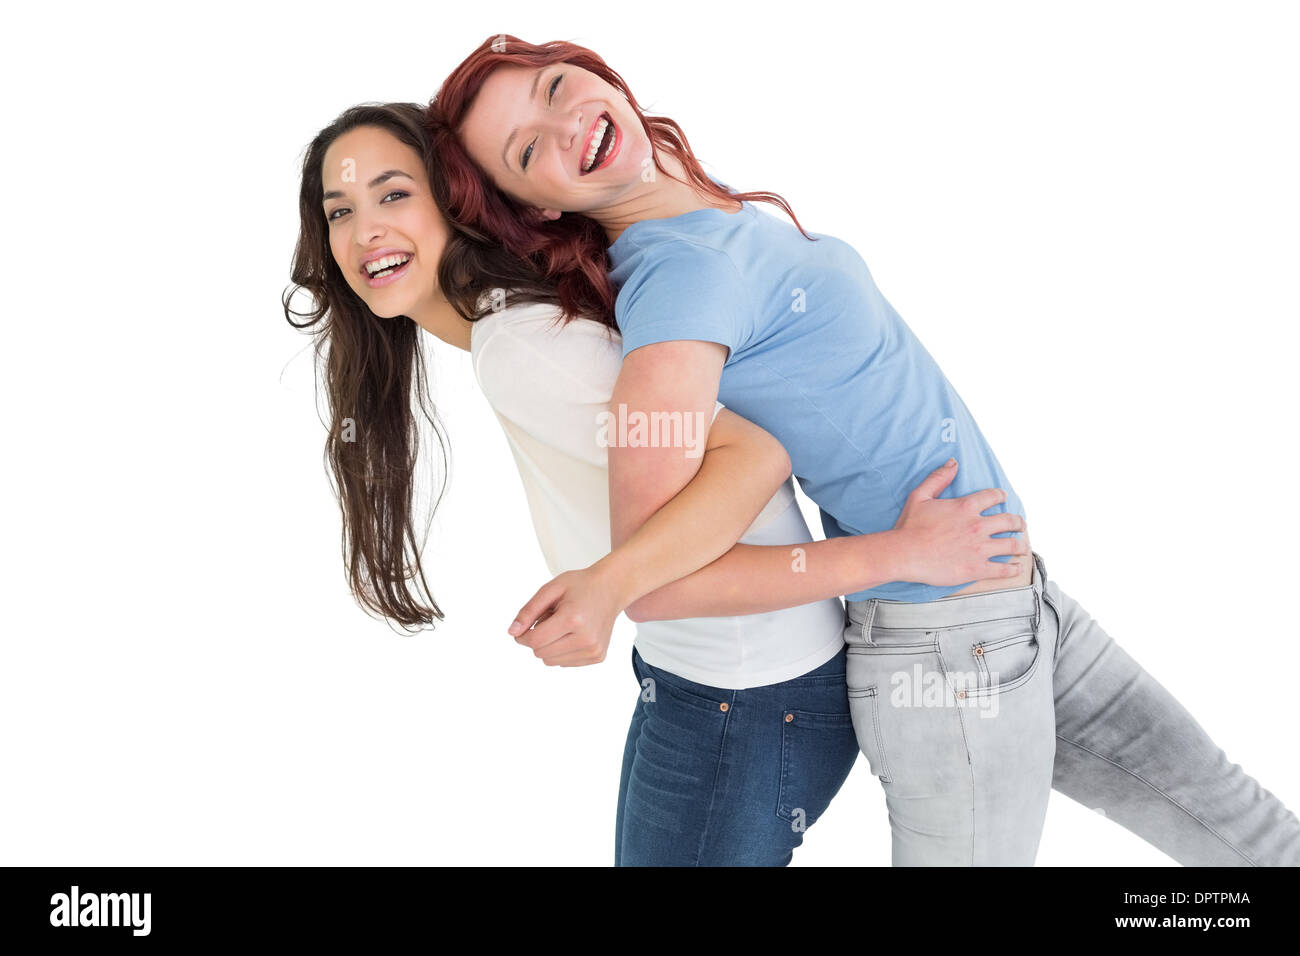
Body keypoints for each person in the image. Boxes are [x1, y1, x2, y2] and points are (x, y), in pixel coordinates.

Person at [426, 34, 1300, 865]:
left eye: (553, 88)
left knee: (1233, 821)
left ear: (593, 72)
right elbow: (652, 588)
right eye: (528, 149)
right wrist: (899, 552)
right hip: (944, 643)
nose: (565, 122)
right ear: (539, 205)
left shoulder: (699, 205)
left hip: (1017, 604)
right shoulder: (676, 287)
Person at [285, 102, 1024, 865]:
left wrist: (612, 584)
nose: (365, 229)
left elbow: (758, 452)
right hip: (708, 682)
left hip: (749, 699)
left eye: (393, 193)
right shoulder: (509, 333)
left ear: (458, 198)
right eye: (340, 210)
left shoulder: (521, 346)